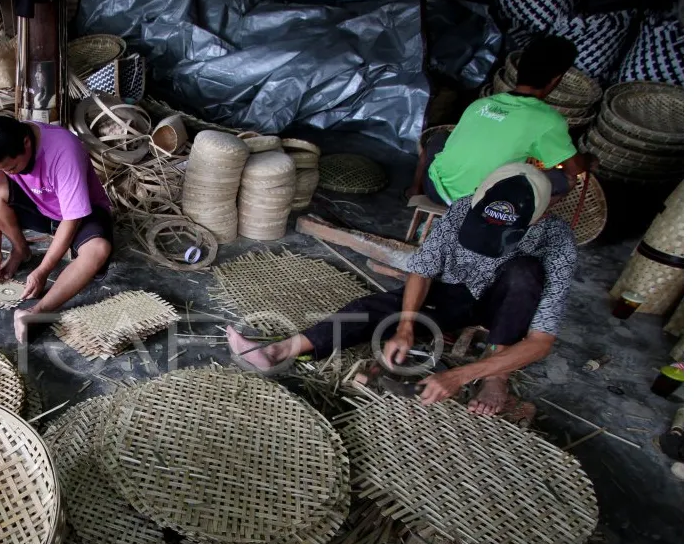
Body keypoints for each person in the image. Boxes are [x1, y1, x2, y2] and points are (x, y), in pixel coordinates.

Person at [227, 163, 577, 416]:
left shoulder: (557, 241)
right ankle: (282, 350)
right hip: (455, 292)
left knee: (524, 271)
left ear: (540, 217)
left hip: (509, 307)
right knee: (379, 307)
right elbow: (423, 270)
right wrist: (408, 325)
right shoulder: (461, 209)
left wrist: (460, 375)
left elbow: (540, 341)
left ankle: (496, 377)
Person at [0, 114, 114, 343]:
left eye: (13, 167)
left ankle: (36, 313)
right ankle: (20, 250)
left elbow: (72, 219)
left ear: (26, 143)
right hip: (37, 208)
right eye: (5, 169)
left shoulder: (64, 149)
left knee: (98, 250)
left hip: (77, 212)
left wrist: (44, 270)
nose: (11, 173)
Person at [418, 35, 595, 206]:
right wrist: (588, 160)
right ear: (556, 80)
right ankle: (518, 224)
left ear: (519, 70)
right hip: (483, 205)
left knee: (439, 138)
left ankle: (413, 192)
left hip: (434, 189)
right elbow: (575, 168)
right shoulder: (548, 121)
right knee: (563, 178)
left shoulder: (481, 104)